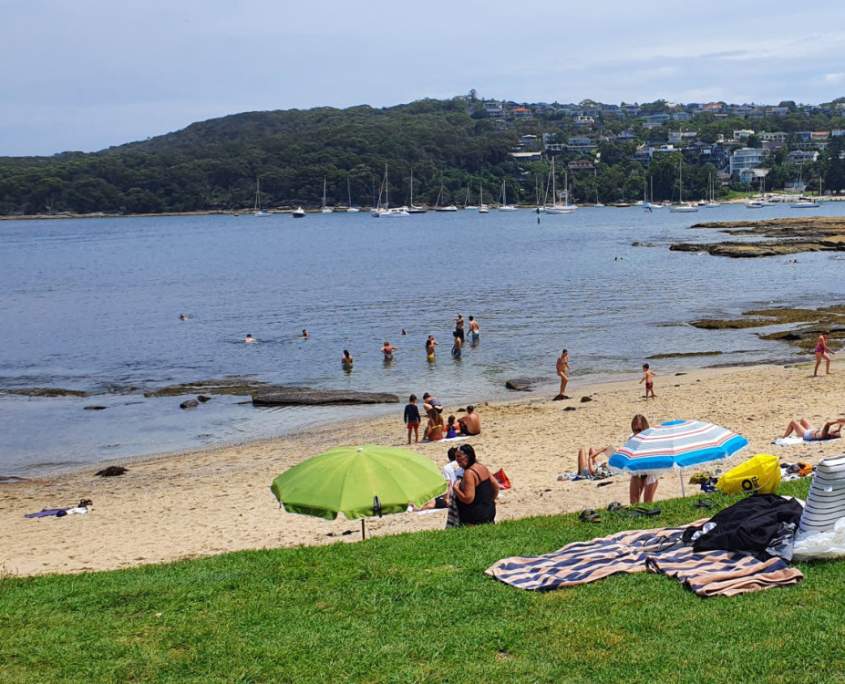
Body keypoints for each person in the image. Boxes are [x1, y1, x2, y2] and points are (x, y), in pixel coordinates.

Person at [452, 445, 499, 525]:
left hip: (475, 517)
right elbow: (496, 485)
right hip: (489, 512)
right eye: (456, 457)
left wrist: (455, 488)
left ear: (467, 457)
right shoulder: (481, 467)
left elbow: (468, 499)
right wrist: (489, 501)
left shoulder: (469, 473)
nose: (456, 459)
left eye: (459, 456)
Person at [629, 414, 658, 505]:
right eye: (635, 430)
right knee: (634, 503)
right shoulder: (631, 438)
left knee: (647, 503)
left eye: (639, 430)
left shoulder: (651, 438)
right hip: (637, 473)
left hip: (650, 472)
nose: (637, 433)